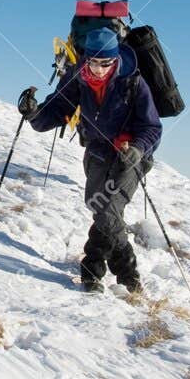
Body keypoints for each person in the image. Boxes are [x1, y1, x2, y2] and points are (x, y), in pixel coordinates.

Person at [19, 26, 162, 294]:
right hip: (97, 150)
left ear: (115, 58)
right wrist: (34, 113)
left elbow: (152, 128)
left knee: (107, 208)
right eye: (93, 63)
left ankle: (117, 274)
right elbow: (59, 108)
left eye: (104, 64)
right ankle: (97, 270)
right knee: (99, 208)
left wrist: (138, 149)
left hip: (129, 156)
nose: (97, 70)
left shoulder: (133, 81)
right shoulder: (78, 77)